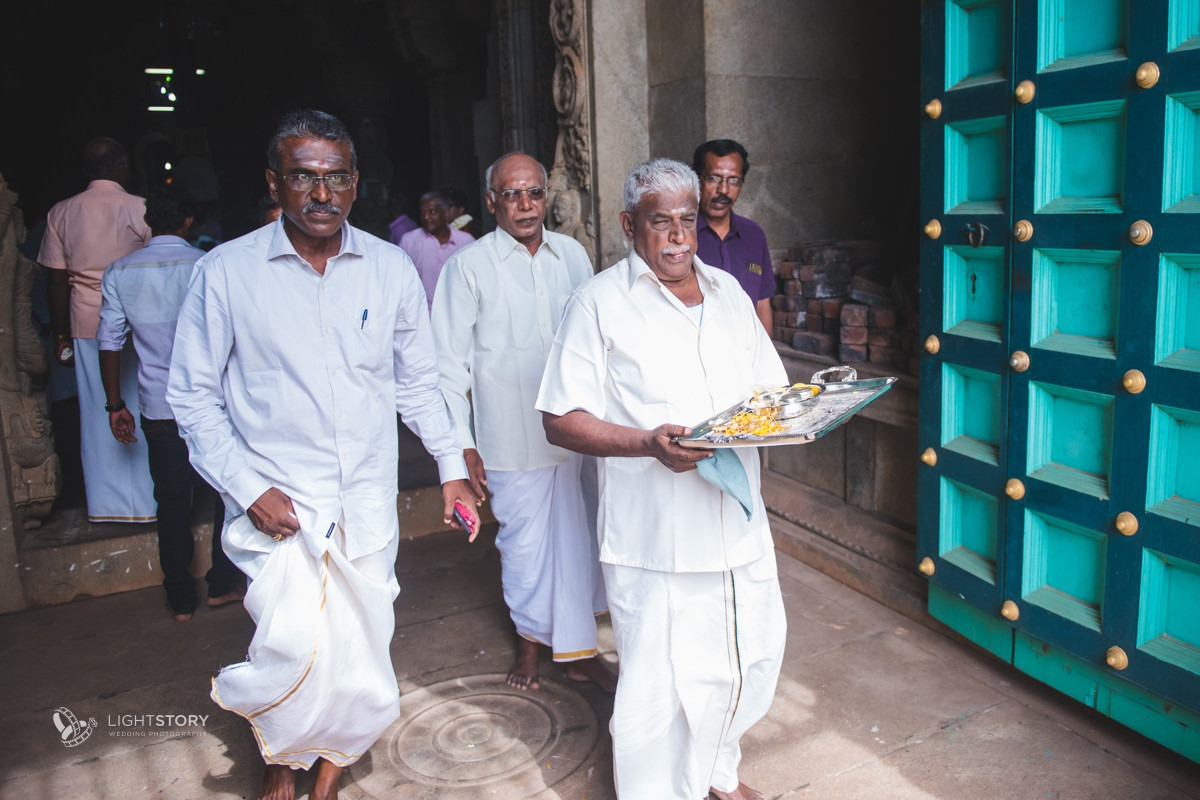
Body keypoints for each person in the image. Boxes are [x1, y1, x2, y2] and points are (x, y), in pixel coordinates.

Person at [166, 109, 479, 800]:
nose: (320, 194)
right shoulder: (226, 274)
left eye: (336, 177)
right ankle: (283, 757)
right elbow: (191, 398)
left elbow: (418, 384)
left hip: (364, 499)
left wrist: (452, 470)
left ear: (356, 183)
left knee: (363, 648)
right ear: (274, 183)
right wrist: (248, 488)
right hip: (281, 506)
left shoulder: (390, 269)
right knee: (292, 647)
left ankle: (331, 767)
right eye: (303, 177)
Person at [536, 158, 787, 800]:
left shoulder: (730, 294)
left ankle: (714, 777)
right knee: (655, 687)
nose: (678, 236)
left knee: (744, 661)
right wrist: (645, 443)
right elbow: (560, 420)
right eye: (660, 222)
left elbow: (771, 390)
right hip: (653, 536)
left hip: (734, 520)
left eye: (687, 219)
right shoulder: (597, 304)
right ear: (628, 225)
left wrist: (799, 414)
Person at [431, 153, 613, 694]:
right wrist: (461, 447)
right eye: (512, 194)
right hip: (509, 440)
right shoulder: (467, 267)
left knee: (584, 543)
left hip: (577, 435)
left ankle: (580, 652)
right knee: (525, 550)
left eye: (534, 192)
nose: (526, 204)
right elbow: (447, 366)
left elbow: (597, 341)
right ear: (491, 202)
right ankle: (530, 644)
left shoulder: (574, 256)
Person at [96, 185, 244, 622]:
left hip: (158, 406)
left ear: (147, 225)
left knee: (172, 501)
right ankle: (221, 583)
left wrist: (114, 405)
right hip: (213, 405)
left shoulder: (120, 271)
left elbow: (109, 342)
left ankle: (180, 599)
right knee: (226, 494)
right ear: (187, 222)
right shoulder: (206, 265)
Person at [38, 137, 157, 523]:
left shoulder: (61, 212)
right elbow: (156, 265)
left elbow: (56, 282)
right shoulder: (139, 208)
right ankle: (148, 501)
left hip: (86, 322)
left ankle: (108, 506)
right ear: (121, 166)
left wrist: (60, 335)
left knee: (98, 409)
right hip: (137, 323)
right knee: (142, 405)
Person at [692, 139, 776, 334]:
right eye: (713, 178)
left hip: (746, 356)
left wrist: (765, 360)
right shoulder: (681, 236)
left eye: (733, 180)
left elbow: (762, 306)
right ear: (697, 180)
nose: (723, 190)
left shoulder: (754, 235)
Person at [397, 190, 474, 311]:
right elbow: (399, 284)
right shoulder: (409, 241)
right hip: (423, 319)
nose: (426, 217)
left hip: (458, 316)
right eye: (422, 213)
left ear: (446, 213)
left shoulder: (466, 241)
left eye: (432, 212)